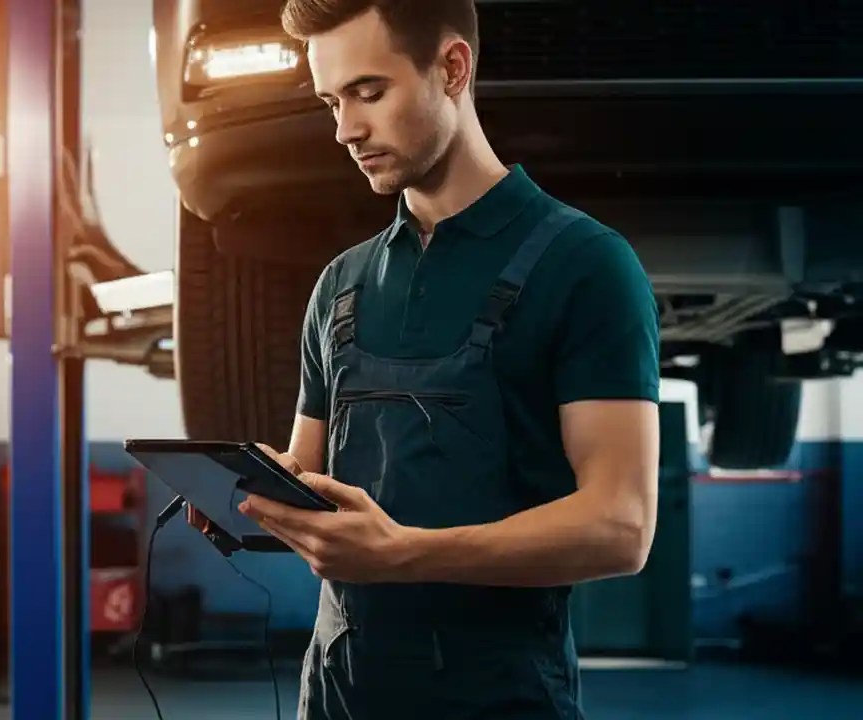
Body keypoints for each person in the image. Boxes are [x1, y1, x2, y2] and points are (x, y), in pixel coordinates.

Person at [189, 1, 661, 718]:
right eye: (331, 102)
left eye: (369, 93)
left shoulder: (587, 265)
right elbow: (311, 480)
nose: (346, 129)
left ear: (452, 68)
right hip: (339, 694)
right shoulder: (340, 285)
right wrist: (255, 501)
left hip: (499, 699)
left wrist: (405, 551)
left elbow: (621, 525)